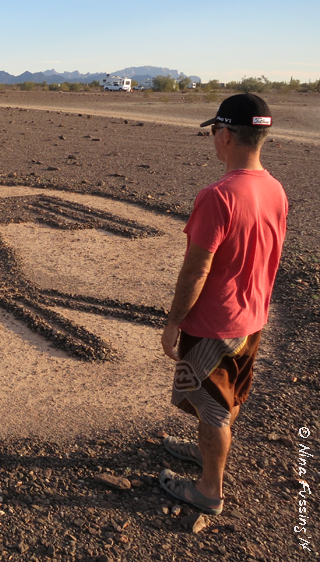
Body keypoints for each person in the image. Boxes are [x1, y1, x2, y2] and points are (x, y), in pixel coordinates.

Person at [159, 93, 288, 515]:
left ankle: (208, 490)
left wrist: (174, 321)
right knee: (225, 397)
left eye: (215, 131)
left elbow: (196, 271)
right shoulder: (274, 189)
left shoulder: (218, 196)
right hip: (253, 317)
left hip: (216, 322)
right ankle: (204, 454)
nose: (214, 139)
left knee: (213, 411)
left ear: (228, 135)